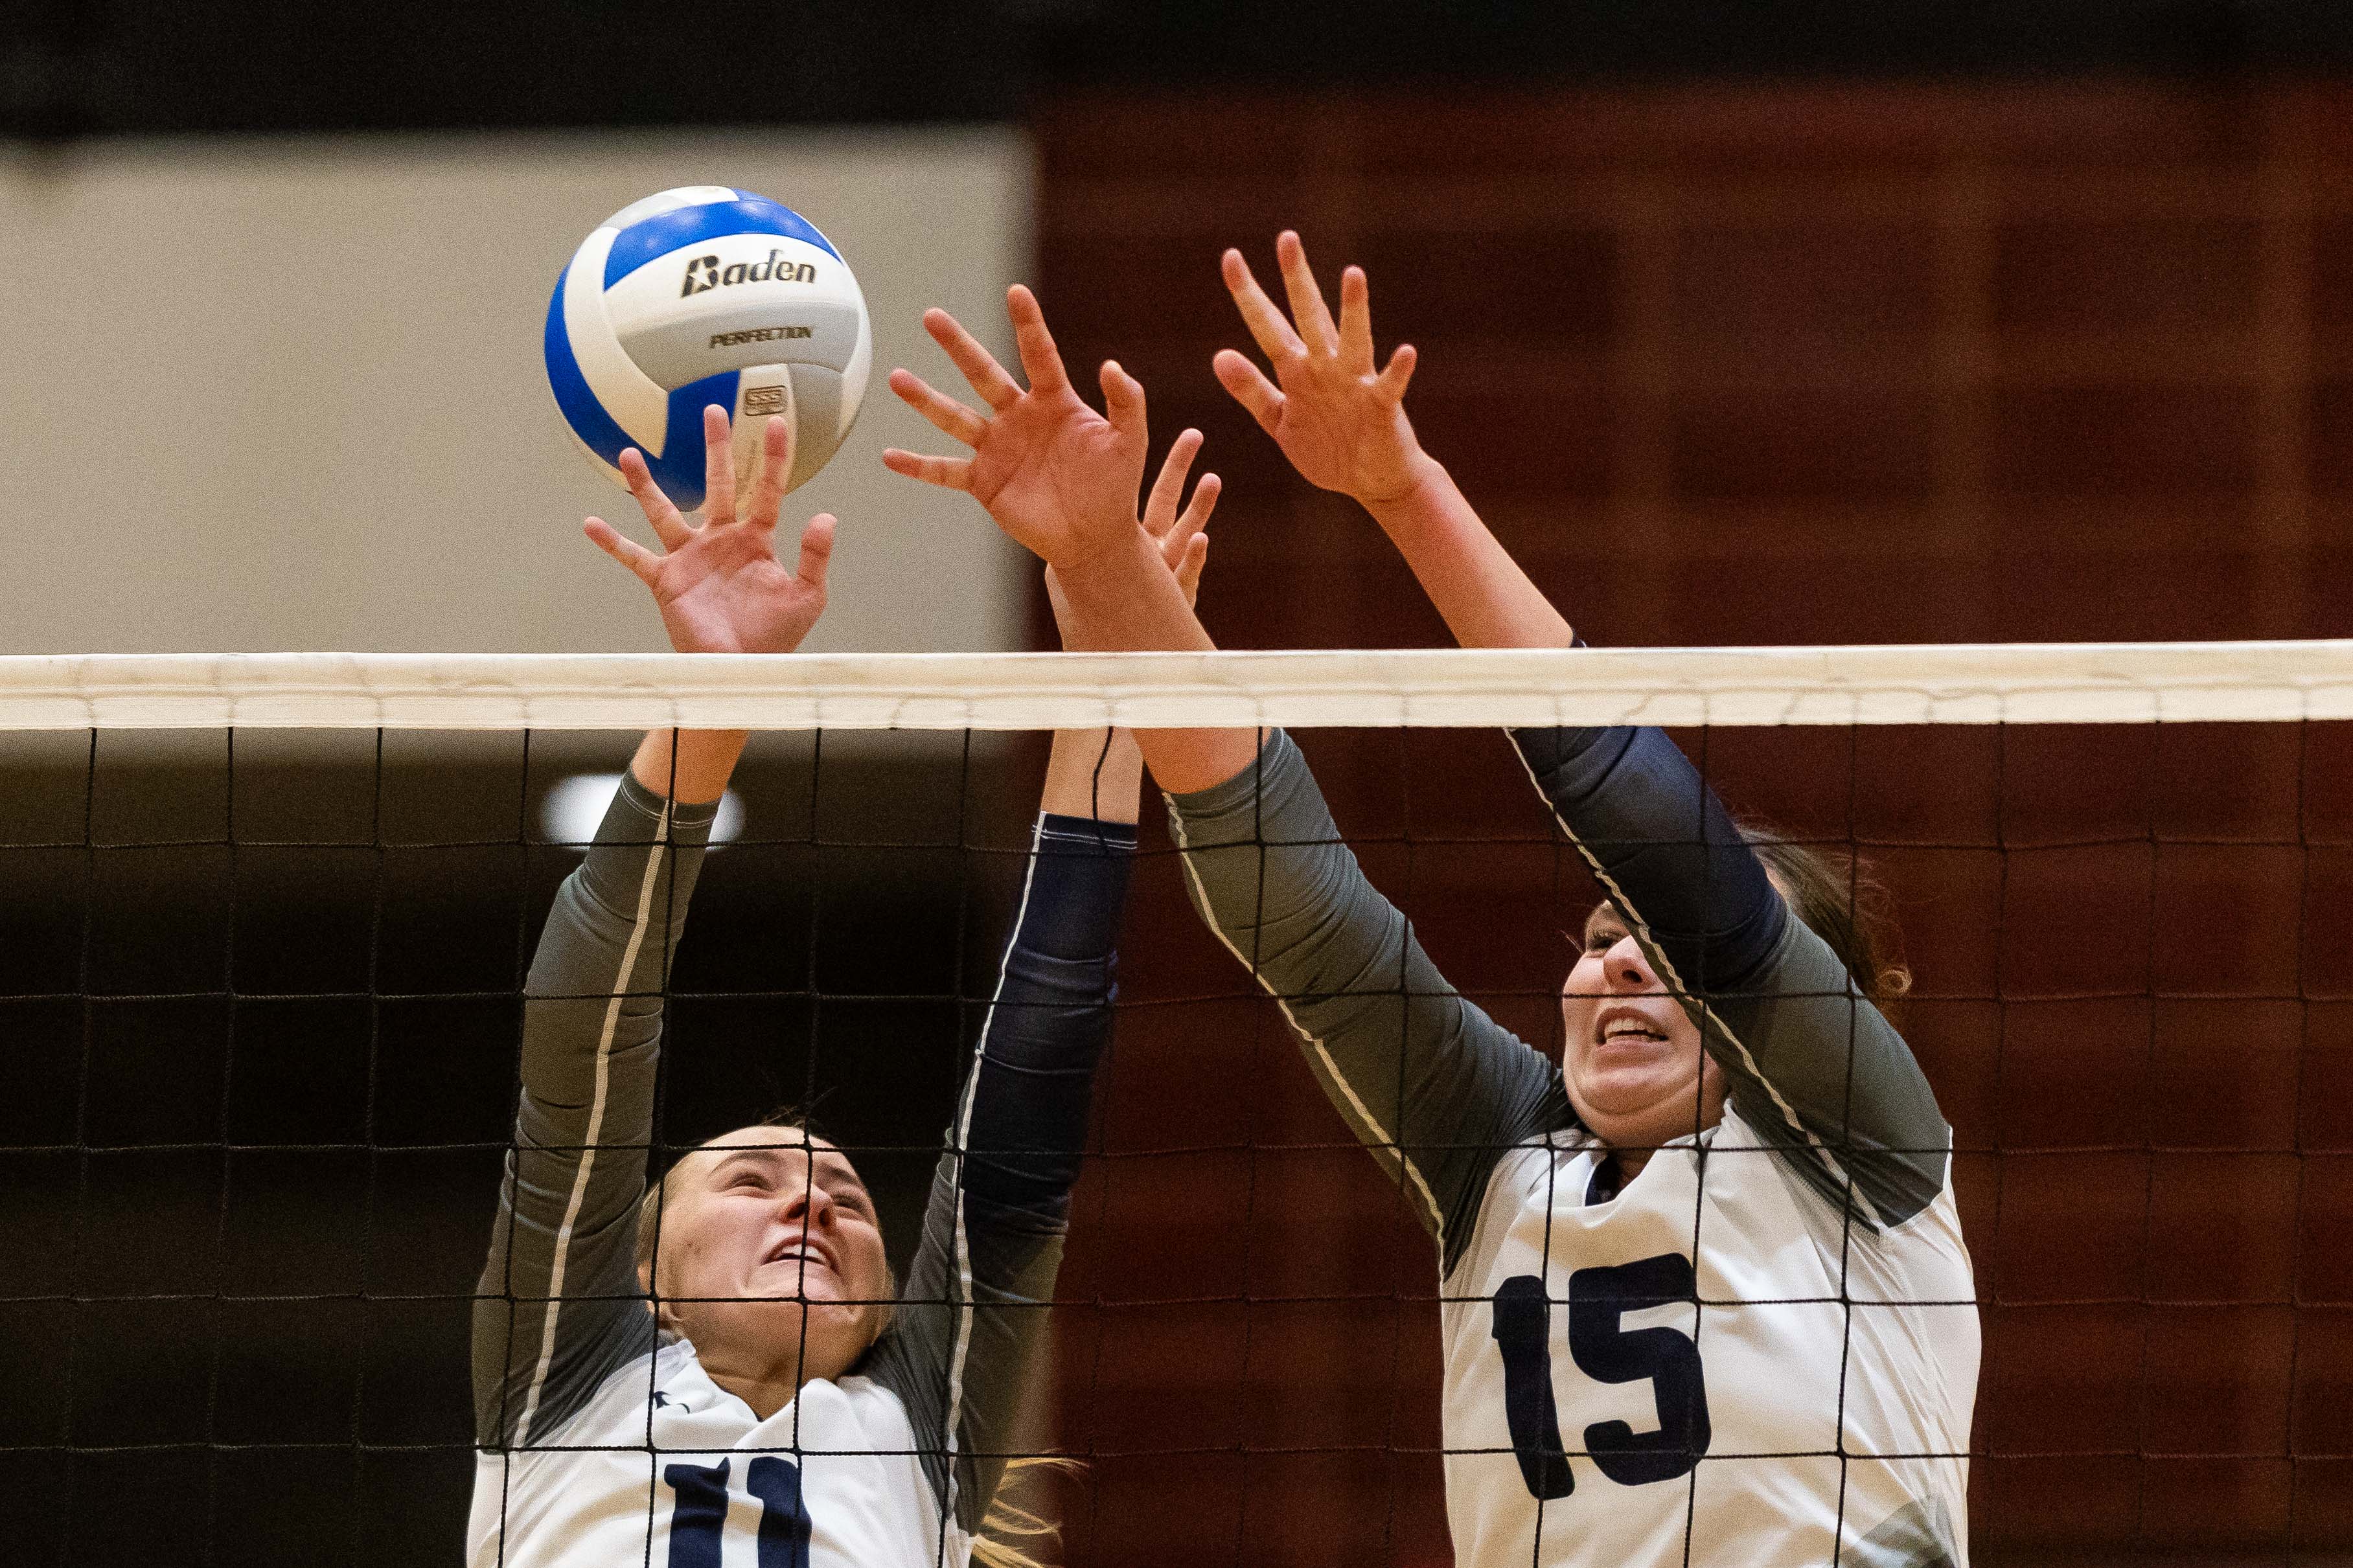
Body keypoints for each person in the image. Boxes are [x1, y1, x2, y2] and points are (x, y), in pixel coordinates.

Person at [888, 255, 1978, 1567]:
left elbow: (1647, 825)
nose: (1620, 961)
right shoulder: (1499, 1156)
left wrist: (1405, 489)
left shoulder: (1857, 1144)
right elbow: (1297, 908)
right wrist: (1103, 557)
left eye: (1657, 946)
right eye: (1592, 945)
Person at [468, 403, 1215, 1568]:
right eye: (752, 1181)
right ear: (650, 1283)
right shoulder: (567, 1373)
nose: (812, 1206)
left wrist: (1120, 633)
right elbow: (583, 1034)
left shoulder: (916, 1426)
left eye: (852, 1202)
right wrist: (714, 703)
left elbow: (1027, 1116)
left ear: (880, 1313)